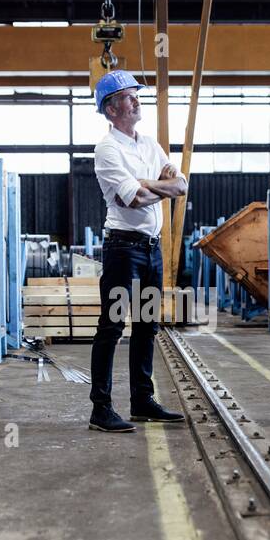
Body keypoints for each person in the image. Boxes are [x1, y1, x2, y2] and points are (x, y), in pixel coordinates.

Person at [87, 70, 187, 433]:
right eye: (129, 96)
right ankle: (101, 408)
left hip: (151, 250)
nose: (137, 100)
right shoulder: (107, 149)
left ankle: (142, 401)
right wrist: (154, 186)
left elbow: (181, 184)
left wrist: (150, 183)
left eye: (135, 94)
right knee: (112, 326)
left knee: (147, 326)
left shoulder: (148, 144)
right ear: (111, 109)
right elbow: (136, 198)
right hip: (123, 250)